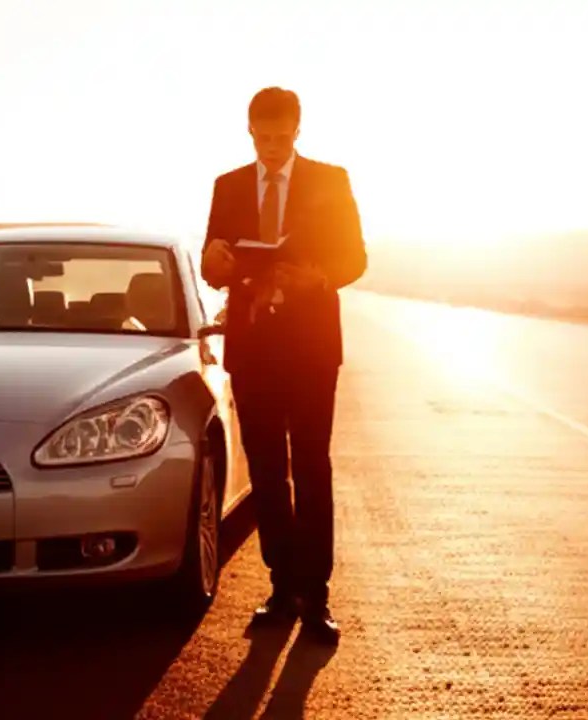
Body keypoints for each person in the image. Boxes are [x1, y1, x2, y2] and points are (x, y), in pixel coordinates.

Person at [200, 86, 366, 645]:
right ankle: (280, 588)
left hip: (312, 346)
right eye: (261, 137)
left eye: (281, 136)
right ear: (250, 131)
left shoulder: (331, 180)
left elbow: (355, 258)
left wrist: (317, 278)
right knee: (268, 470)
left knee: (312, 466)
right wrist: (215, 263)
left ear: (298, 129)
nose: (271, 148)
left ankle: (315, 596)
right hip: (252, 347)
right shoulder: (228, 186)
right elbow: (211, 260)